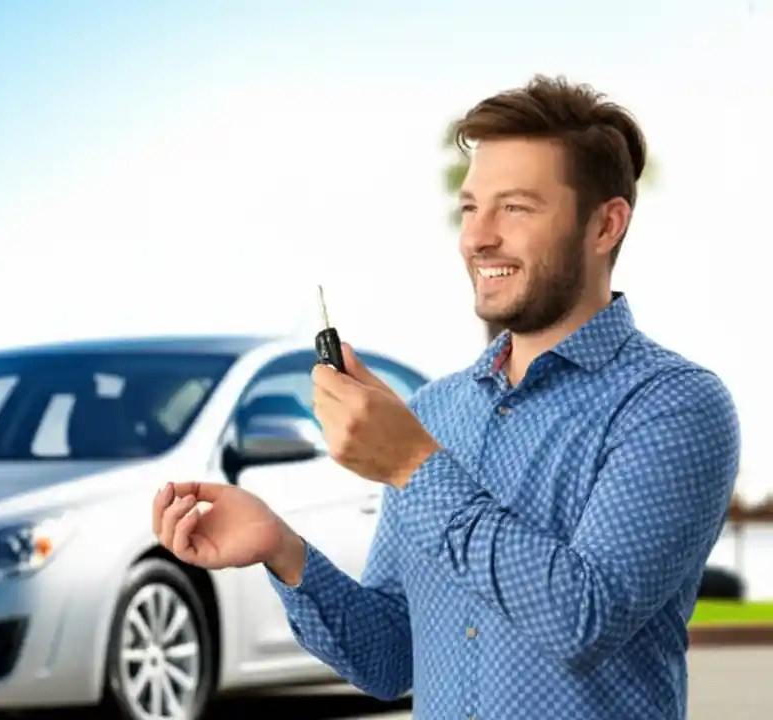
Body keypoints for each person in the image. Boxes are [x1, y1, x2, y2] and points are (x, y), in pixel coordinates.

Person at [151, 75, 740, 719]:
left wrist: (412, 464)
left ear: (605, 225)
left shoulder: (674, 406)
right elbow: (389, 660)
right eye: (469, 208)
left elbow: (581, 618)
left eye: (515, 208)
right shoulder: (436, 411)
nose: (477, 237)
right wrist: (282, 550)